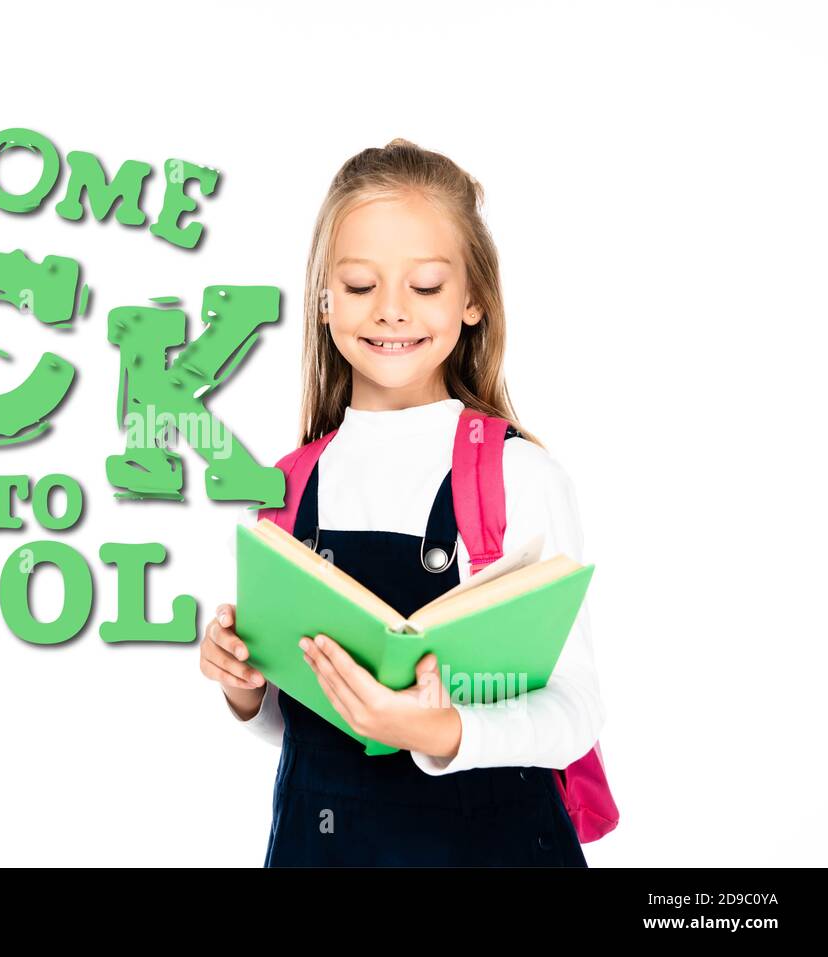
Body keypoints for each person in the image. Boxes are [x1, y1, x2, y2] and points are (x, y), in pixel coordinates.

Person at [199, 138, 604, 867]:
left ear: (473, 298)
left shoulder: (519, 476)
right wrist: (244, 687)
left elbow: (575, 712)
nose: (391, 311)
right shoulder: (284, 488)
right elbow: (298, 724)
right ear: (324, 299)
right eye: (359, 285)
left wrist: (437, 730)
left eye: (424, 286)